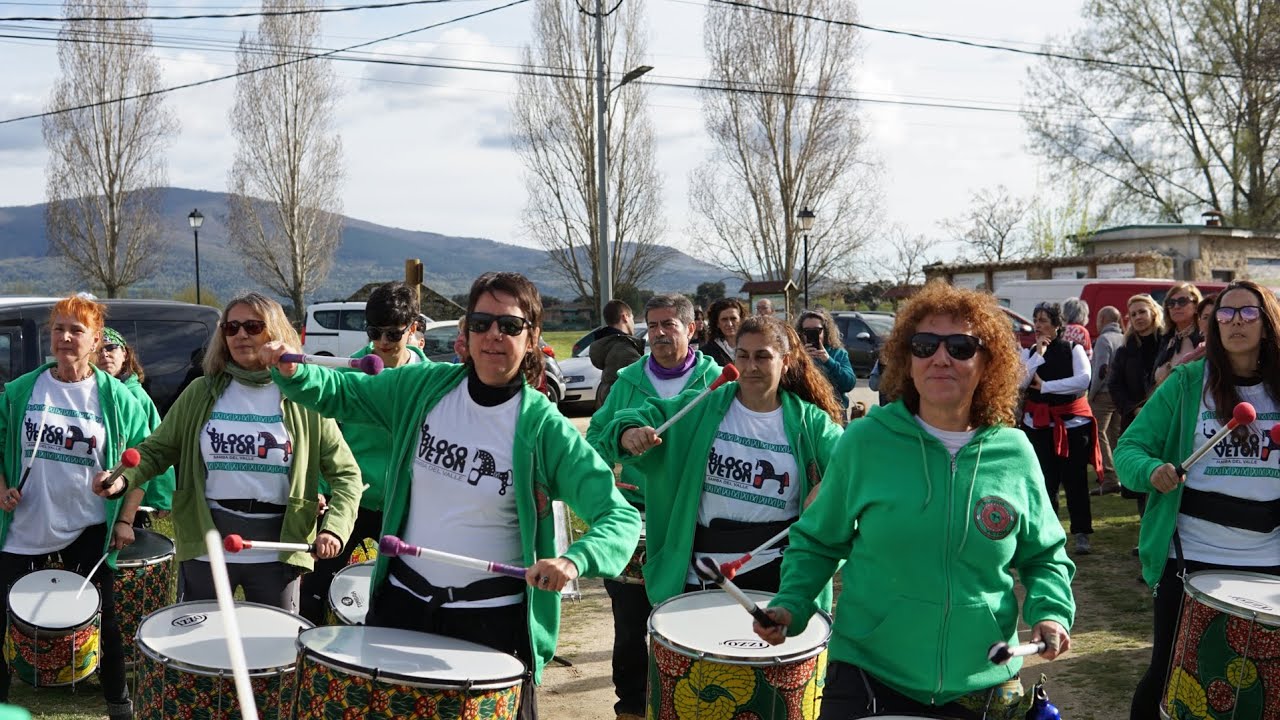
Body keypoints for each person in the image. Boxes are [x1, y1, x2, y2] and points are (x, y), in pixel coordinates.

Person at [261, 272, 640, 720]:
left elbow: (618, 517)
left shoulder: (544, 428)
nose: (493, 335)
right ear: (467, 332)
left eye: (510, 325)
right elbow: (344, 392)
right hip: (401, 609)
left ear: (532, 336)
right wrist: (294, 372)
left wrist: (573, 561)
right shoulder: (423, 388)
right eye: (481, 323)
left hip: (491, 624)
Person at [751, 281, 1075, 719]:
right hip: (870, 675)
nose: (940, 358)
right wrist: (792, 604)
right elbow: (818, 541)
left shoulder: (1015, 453)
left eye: (960, 347)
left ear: (988, 362)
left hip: (983, 681)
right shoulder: (865, 441)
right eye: (925, 345)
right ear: (908, 358)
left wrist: (1051, 612)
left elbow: (1044, 555)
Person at [95, 292, 364, 614]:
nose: (240, 335)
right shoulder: (200, 392)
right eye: (231, 327)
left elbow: (346, 475)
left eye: (253, 326)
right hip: (206, 540)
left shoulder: (304, 396)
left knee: (271, 642)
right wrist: (121, 479)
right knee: (198, 638)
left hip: (278, 546)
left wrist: (334, 527)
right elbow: (156, 451)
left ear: (276, 332)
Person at [1116, 280, 1280, 720]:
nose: (1235, 322)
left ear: (1267, 323)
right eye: (1226, 313)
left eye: (1248, 313)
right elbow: (1129, 449)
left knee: (1265, 687)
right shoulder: (1189, 383)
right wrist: (1152, 471)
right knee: (1167, 674)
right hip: (1191, 557)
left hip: (1270, 558)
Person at [601, 315, 844, 607]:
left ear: (786, 362)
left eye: (762, 357)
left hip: (780, 576)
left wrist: (830, 488)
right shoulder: (703, 405)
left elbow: (855, 468)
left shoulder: (811, 423)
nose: (751, 366)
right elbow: (639, 416)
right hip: (699, 575)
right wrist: (629, 432)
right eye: (743, 355)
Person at [0, 295, 152, 719]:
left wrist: (125, 519)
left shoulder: (117, 399)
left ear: (96, 340)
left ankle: (118, 704)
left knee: (106, 620)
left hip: (87, 525)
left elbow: (143, 462)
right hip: (25, 524)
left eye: (76, 330)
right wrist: (2, 490)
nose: (65, 338)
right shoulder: (21, 391)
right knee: (2, 617)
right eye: (58, 329)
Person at [585, 293, 722, 720]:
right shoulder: (627, 380)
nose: (659, 333)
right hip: (637, 518)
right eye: (653, 325)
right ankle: (630, 707)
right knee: (629, 624)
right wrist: (614, 463)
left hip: (694, 518)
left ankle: (686, 705)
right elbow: (594, 439)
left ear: (691, 329)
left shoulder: (717, 380)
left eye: (669, 325)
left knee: (688, 621)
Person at [299, 281, 428, 624]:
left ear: (413, 328)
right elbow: (323, 439)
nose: (382, 342)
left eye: (393, 333)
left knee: (407, 595)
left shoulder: (430, 381)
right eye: (374, 332)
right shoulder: (349, 372)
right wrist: (319, 489)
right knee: (313, 589)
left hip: (406, 505)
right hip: (351, 499)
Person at [1021, 301, 1099, 555]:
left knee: (1075, 479)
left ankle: (1081, 532)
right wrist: (1038, 355)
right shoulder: (1029, 352)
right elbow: (1021, 381)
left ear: (1056, 324)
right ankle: (1050, 532)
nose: (1038, 325)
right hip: (1038, 425)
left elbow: (1083, 380)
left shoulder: (1074, 348)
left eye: (1044, 320)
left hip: (1072, 426)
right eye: (1036, 320)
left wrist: (1046, 387)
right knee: (1045, 481)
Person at [95, 326, 176, 528]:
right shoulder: (89, 393)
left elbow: (156, 445)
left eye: (111, 347)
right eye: (98, 350)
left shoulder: (136, 396)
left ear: (124, 353)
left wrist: (161, 496)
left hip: (130, 494)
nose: (104, 354)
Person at [1088, 306, 1125, 496]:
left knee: (1099, 434)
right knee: (1116, 436)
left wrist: (1091, 394)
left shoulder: (1104, 339)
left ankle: (1110, 478)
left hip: (1103, 394)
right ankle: (1122, 475)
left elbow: (1100, 371)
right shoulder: (1124, 337)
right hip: (1120, 394)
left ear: (1102, 319)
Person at [796, 309, 856, 416]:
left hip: (834, 411)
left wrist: (828, 361)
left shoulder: (838, 353)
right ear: (801, 333)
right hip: (805, 412)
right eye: (807, 331)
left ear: (826, 331)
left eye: (817, 330)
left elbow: (849, 384)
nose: (812, 334)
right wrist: (802, 359)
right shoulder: (795, 354)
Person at [590, 299, 644, 408]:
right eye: (632, 318)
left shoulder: (609, 345)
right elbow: (645, 384)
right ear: (625, 317)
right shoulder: (624, 351)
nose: (633, 323)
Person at [1152, 282, 1203, 386]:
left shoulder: (1204, 338)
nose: (1176, 306)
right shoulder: (1166, 339)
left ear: (1196, 306)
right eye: (1171, 303)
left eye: (1182, 301)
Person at [703, 297, 746, 367]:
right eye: (724, 319)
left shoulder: (750, 346)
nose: (729, 324)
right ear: (717, 323)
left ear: (741, 320)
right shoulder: (706, 354)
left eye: (733, 318)